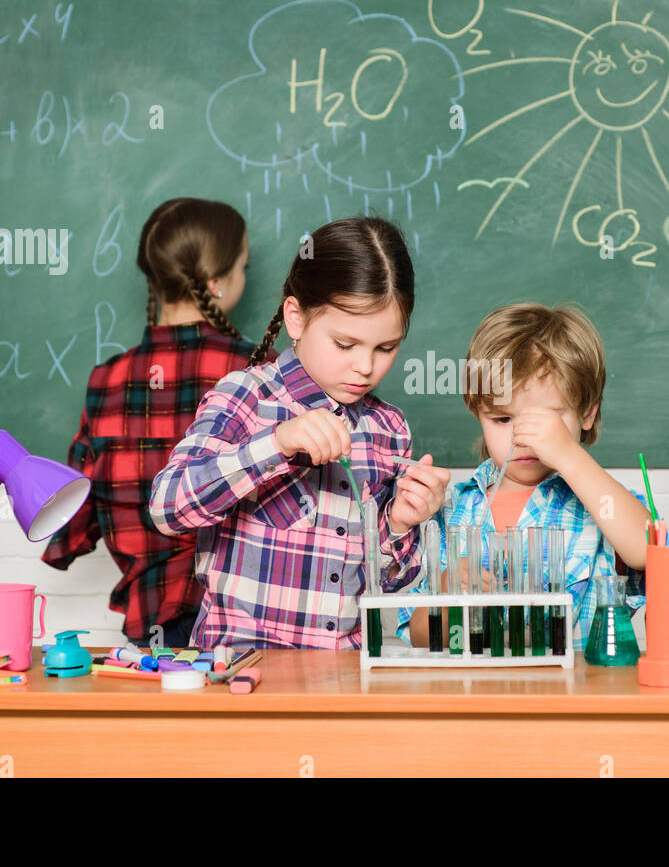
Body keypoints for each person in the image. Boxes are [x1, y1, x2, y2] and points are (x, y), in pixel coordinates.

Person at [149, 217, 450, 650]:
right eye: (345, 345)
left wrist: (401, 523)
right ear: (296, 318)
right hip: (242, 674)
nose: (365, 367)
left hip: (344, 680)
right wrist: (277, 444)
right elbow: (167, 508)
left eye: (386, 348)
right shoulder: (246, 397)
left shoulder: (388, 428)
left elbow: (390, 583)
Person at [42, 198, 267, 648]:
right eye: (243, 266)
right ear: (218, 283)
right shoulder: (258, 373)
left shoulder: (108, 380)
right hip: (243, 624)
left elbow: (74, 518)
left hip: (151, 630)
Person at [399, 303, 649, 651]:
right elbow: (418, 636)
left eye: (546, 420)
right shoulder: (451, 511)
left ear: (587, 413)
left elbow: (646, 550)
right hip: (473, 700)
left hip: (573, 699)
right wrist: (446, 596)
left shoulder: (601, 506)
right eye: (502, 420)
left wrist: (568, 455)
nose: (523, 437)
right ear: (478, 414)